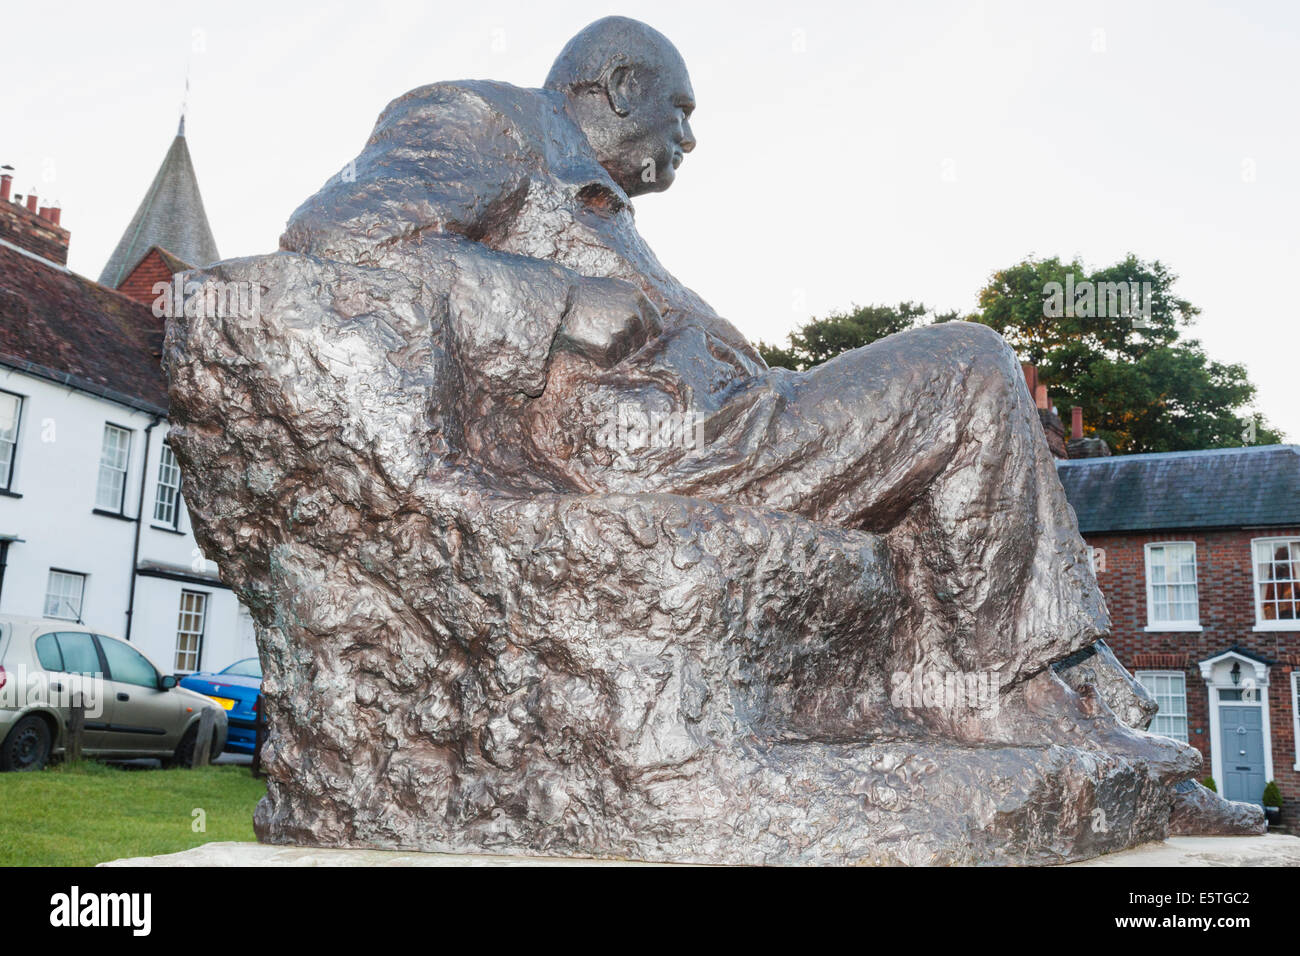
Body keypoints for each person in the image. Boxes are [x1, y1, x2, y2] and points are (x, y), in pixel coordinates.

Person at [280, 16, 1109, 732]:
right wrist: (559, 303)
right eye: (680, 111)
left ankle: (1054, 699)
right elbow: (339, 231)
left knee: (961, 385)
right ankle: (1021, 697)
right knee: (968, 364)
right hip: (665, 446)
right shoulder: (483, 118)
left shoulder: (602, 203)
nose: (691, 138)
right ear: (618, 86)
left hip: (729, 421)